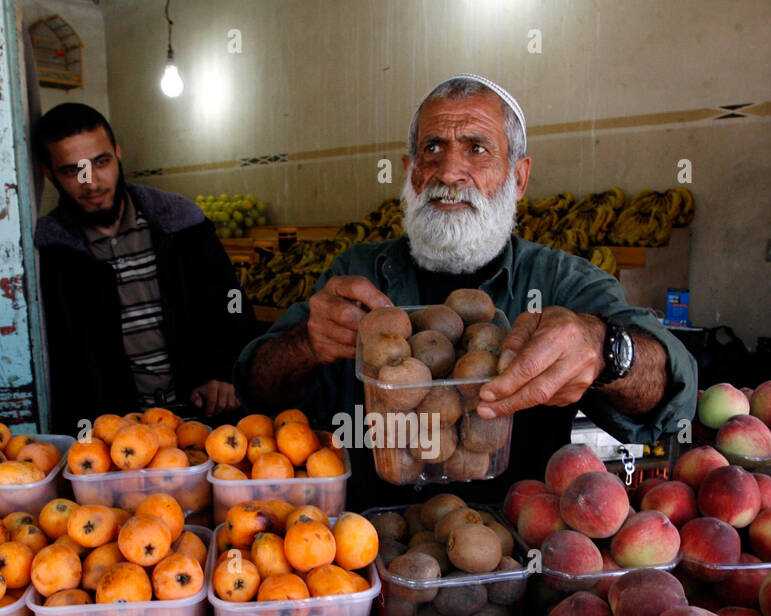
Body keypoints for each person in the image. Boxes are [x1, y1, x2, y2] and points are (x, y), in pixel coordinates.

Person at [236, 75, 697, 504]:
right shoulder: (358, 272)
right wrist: (305, 346)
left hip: (515, 547)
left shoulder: (560, 282)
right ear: (410, 170)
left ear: (518, 178)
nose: (450, 171)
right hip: (369, 548)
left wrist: (606, 349)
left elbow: (675, 397)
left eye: (477, 148)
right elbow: (257, 389)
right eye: (432, 148)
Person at [33, 103, 265, 432]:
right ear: (49, 173)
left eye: (101, 162)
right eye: (72, 171)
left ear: (117, 153)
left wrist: (226, 369)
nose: (92, 182)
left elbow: (232, 301)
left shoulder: (180, 224)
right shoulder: (51, 252)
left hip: (202, 425)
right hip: (115, 438)